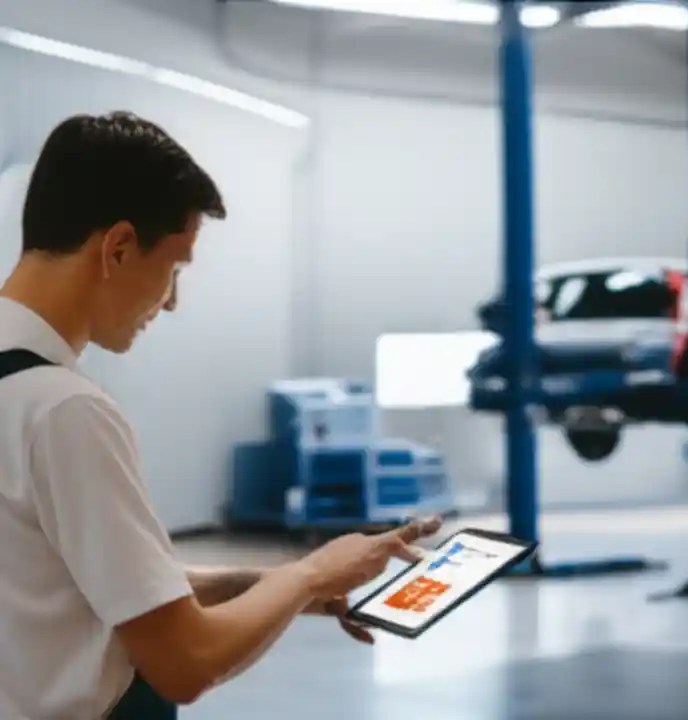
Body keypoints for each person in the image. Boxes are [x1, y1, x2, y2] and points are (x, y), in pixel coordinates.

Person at [0, 111, 439, 719]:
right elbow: (186, 661)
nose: (172, 301)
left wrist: (271, 590)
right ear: (119, 248)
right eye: (175, 268)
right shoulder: (64, 411)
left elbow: (61, 590)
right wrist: (310, 574)